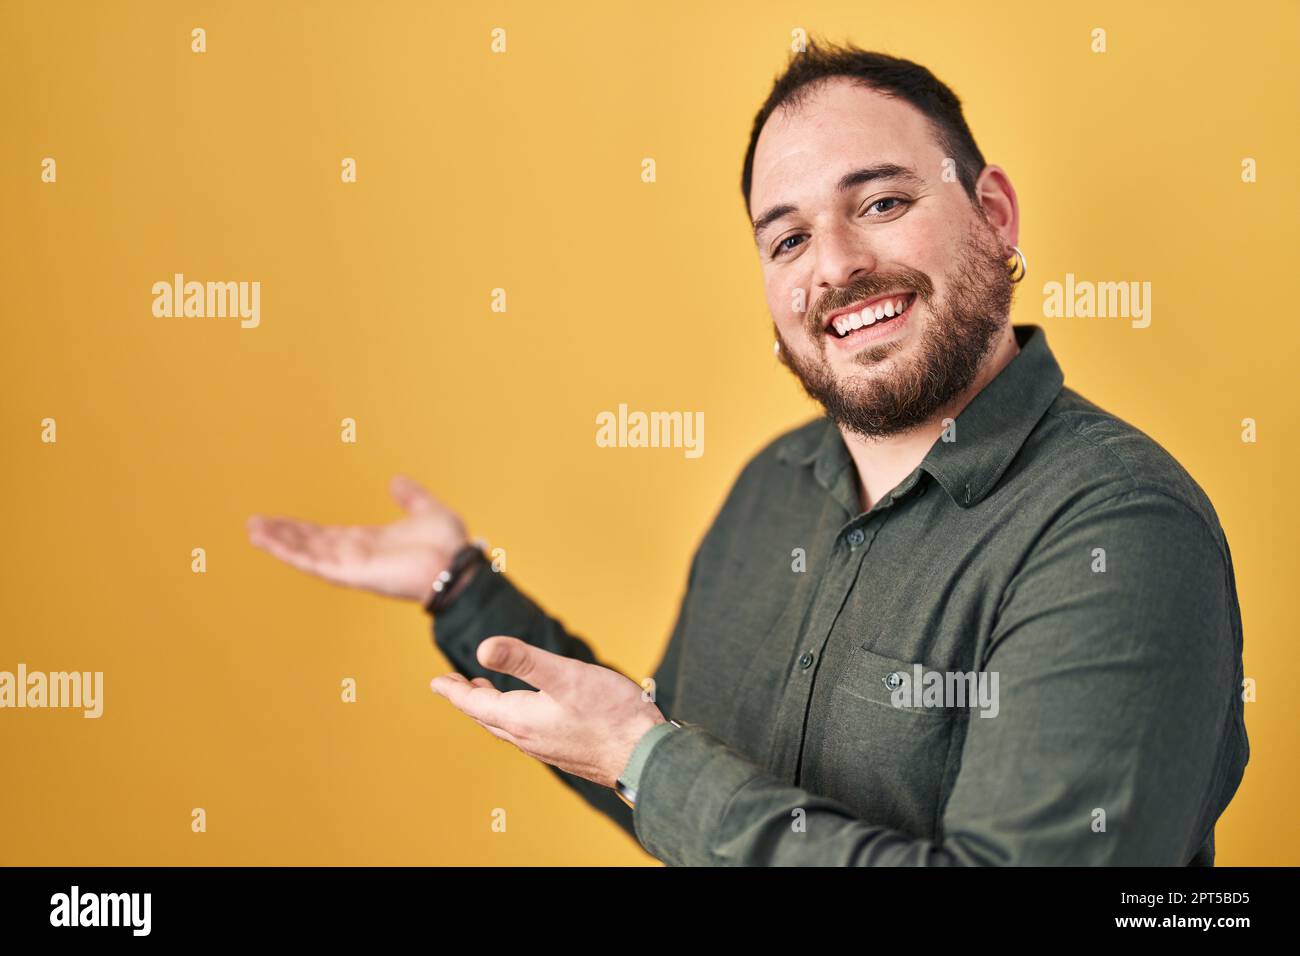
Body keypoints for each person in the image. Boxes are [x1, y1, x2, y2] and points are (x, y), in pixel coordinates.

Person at [247, 40, 1248, 866]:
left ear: (994, 216)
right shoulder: (771, 486)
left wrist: (647, 758)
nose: (837, 265)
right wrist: (461, 588)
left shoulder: (1118, 526)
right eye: (786, 239)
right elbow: (675, 788)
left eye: (884, 202)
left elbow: (663, 770)